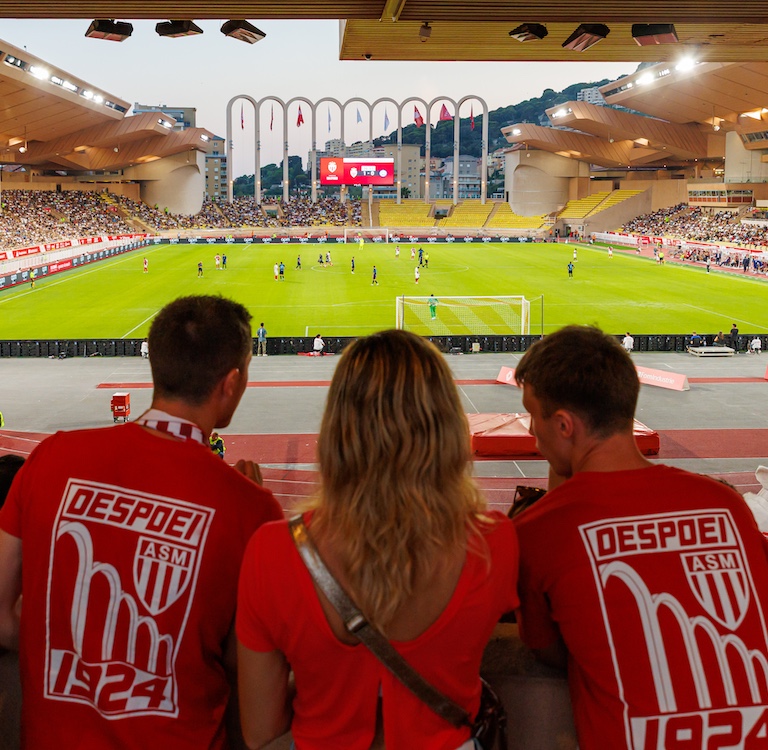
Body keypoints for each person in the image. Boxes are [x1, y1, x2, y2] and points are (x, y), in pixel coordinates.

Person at [0, 295, 283, 750]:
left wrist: (76, 655)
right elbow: (251, 682)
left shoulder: (49, 458)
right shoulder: (251, 508)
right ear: (231, 383)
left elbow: (1, 612)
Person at [236, 330, 519, 749]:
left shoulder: (271, 551)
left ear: (338, 429)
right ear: (447, 427)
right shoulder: (495, 541)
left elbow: (261, 730)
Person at [511, 326, 768, 750]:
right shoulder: (726, 505)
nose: (530, 432)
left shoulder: (538, 533)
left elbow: (552, 650)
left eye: (532, 417)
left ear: (563, 425)